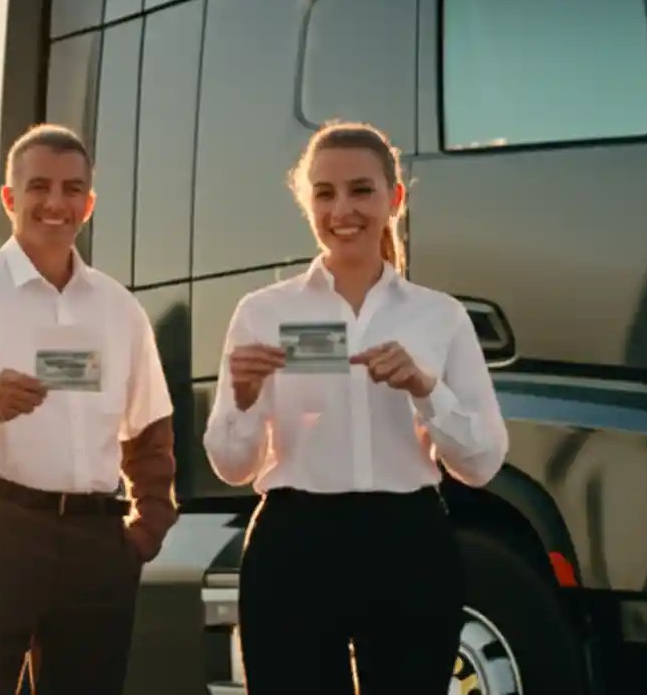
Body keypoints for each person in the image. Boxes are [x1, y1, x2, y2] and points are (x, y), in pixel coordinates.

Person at [202, 121, 510, 693]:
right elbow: (231, 465)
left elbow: (483, 462)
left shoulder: (439, 317)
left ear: (394, 198)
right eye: (324, 193)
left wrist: (424, 388)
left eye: (361, 190)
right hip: (293, 545)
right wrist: (243, 401)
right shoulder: (260, 312)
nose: (342, 208)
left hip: (408, 543)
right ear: (307, 204)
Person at [0, 123, 178, 694]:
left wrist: (151, 521)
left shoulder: (120, 309)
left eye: (72, 189)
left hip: (97, 542)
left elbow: (151, 426)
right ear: (10, 198)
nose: (55, 203)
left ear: (89, 200)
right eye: (39, 187)